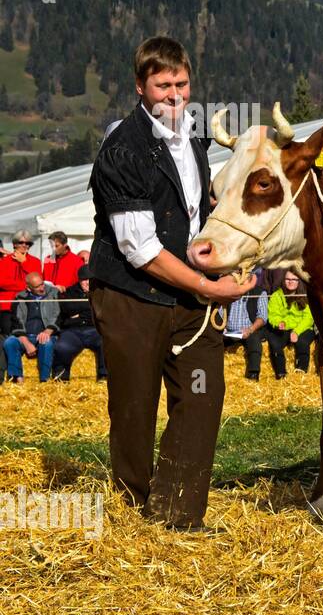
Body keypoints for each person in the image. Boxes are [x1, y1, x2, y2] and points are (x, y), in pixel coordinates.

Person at [86, 35, 253, 531]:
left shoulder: (195, 139)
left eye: (181, 83)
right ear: (141, 87)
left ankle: (177, 515)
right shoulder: (122, 149)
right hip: (131, 297)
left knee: (202, 397)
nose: (174, 95)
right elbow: (140, 250)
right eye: (163, 86)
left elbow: (199, 214)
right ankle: (132, 515)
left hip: (189, 295)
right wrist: (209, 288)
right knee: (136, 408)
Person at [5, 271, 60, 382]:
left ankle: (44, 380)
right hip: (25, 335)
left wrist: (48, 331)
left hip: (45, 333)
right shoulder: (20, 297)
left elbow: (59, 315)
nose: (41, 288)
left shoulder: (54, 293)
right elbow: (16, 321)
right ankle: (16, 378)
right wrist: (26, 343)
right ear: (29, 288)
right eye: (37, 286)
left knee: (46, 343)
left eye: (42, 284)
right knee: (10, 342)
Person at [52, 272, 107, 381]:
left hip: (94, 330)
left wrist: (80, 315)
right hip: (72, 330)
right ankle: (61, 376)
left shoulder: (101, 292)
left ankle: (103, 376)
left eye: (89, 279)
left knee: (104, 343)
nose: (87, 283)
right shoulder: (69, 292)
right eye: (84, 280)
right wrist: (89, 310)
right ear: (79, 280)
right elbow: (66, 309)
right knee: (62, 346)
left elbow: (103, 312)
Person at [265, 271, 315, 378]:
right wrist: (279, 323)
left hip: (302, 327)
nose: (290, 282)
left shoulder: (304, 295)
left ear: (298, 282)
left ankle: (301, 372)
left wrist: (296, 331)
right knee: (275, 342)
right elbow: (273, 314)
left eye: (293, 279)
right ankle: (281, 373)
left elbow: (308, 318)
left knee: (302, 342)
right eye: (287, 279)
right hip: (284, 327)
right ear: (283, 281)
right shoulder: (276, 295)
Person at [221, 270, 269, 380]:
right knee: (214, 339)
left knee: (255, 340)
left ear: (251, 280)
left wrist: (250, 329)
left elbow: (262, 317)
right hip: (228, 331)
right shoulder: (228, 293)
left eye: (245, 279)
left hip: (249, 330)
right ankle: (214, 370)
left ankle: (253, 373)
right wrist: (222, 327)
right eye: (239, 278)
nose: (242, 281)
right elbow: (219, 312)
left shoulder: (260, 292)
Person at [0, 230, 41, 348]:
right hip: (7, 306)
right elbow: (2, 283)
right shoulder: (4, 261)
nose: (24, 245)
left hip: (28, 305)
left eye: (28, 243)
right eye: (21, 242)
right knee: (7, 336)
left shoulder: (35, 261)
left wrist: (24, 262)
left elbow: (37, 281)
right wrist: (25, 286)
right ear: (15, 244)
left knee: (27, 336)